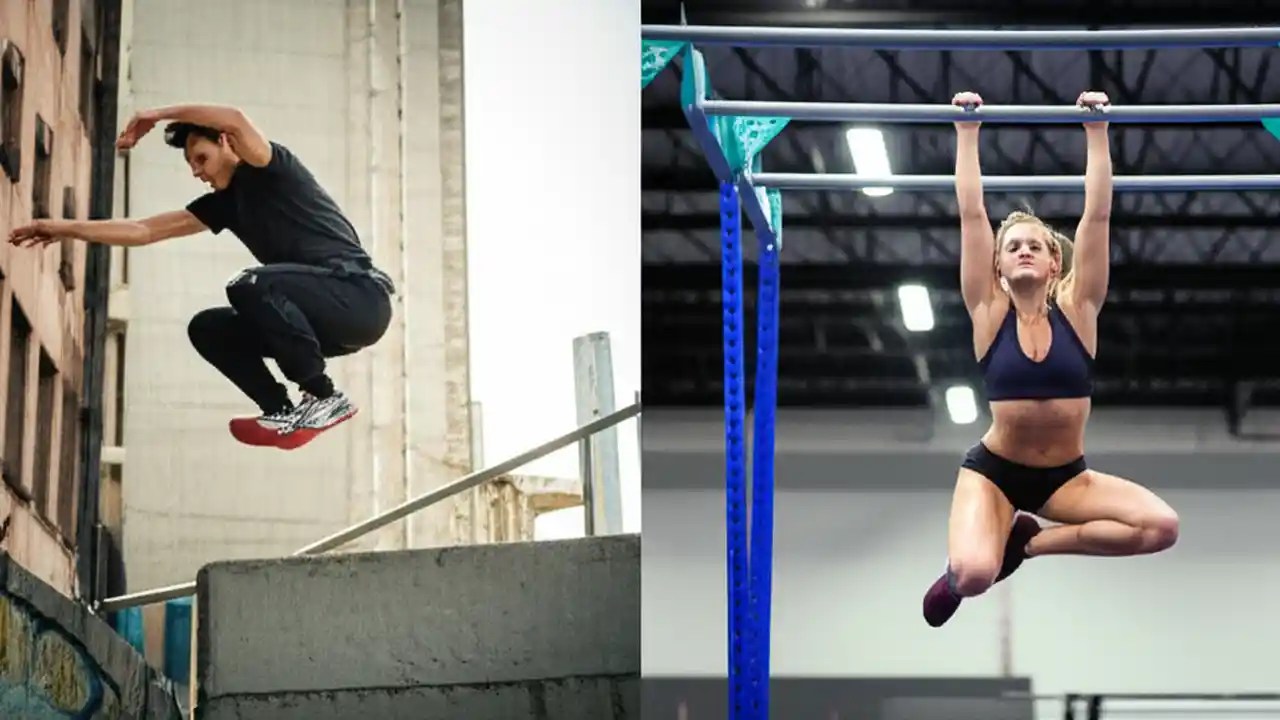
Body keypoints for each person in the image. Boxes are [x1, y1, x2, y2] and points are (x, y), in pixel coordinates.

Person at [921, 90, 1180, 628]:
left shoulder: (1079, 310)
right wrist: (967, 132)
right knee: (973, 575)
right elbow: (971, 214)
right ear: (997, 266)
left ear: (1054, 262)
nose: (1023, 250)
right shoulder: (988, 312)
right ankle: (957, 573)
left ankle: (1029, 545)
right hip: (995, 474)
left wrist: (1097, 131)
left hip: (1064, 479)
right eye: (1012, 245)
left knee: (1161, 528)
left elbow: (1098, 215)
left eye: (1034, 246)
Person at [8, 103, 394, 450]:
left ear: (226, 142)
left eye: (201, 158)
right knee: (208, 328)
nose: (197, 171)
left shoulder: (270, 169)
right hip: (319, 323)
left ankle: (324, 397)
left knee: (249, 284)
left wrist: (157, 115)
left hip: (358, 298)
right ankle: (282, 411)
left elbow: (236, 118)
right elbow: (144, 230)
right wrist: (61, 228)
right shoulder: (224, 205)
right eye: (191, 164)